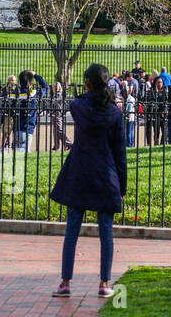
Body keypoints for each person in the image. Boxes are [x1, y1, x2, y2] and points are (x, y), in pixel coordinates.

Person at [50, 62, 126, 299]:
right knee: (106, 230)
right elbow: (120, 152)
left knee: (72, 228)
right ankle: (104, 282)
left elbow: (78, 101)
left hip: (80, 172)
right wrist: (122, 185)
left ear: (88, 83)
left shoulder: (78, 106)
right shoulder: (114, 113)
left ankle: (65, 282)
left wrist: (86, 90)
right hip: (105, 173)